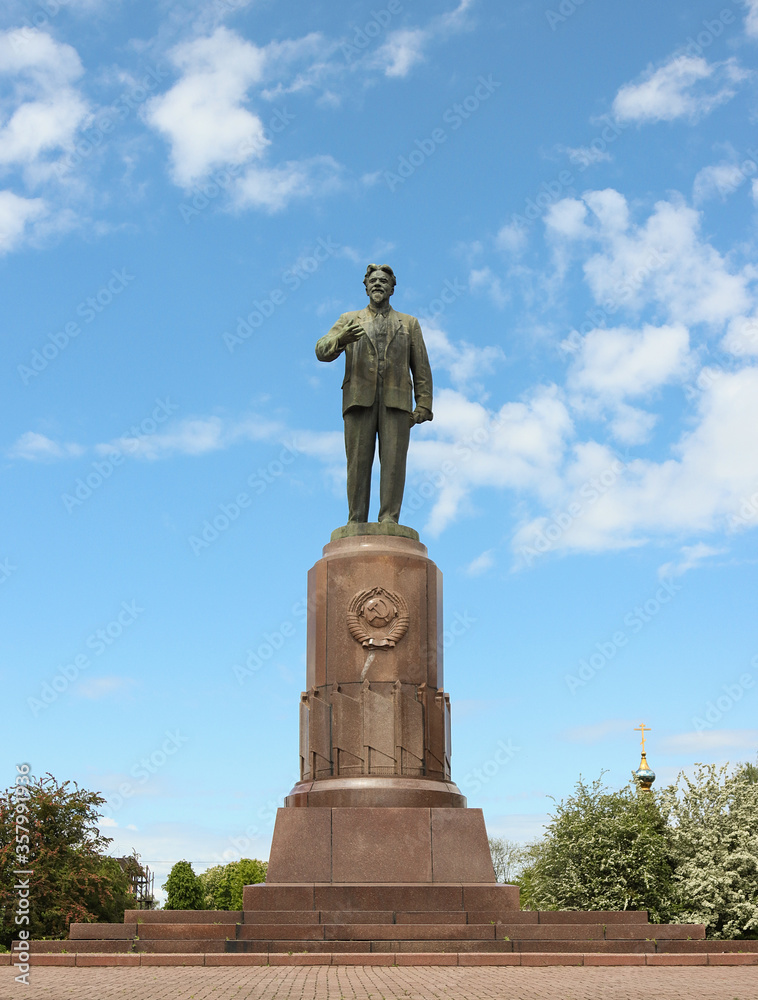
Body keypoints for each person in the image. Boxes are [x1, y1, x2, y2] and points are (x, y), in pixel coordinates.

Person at [315, 264, 433, 524]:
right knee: (357, 463)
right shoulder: (349, 319)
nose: (378, 284)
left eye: (383, 281)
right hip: (359, 399)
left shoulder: (409, 323)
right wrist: (341, 339)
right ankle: (356, 521)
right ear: (366, 286)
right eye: (373, 280)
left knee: (393, 465)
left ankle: (389, 519)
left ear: (392, 288)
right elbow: (321, 350)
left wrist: (423, 402)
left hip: (397, 401)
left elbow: (421, 365)